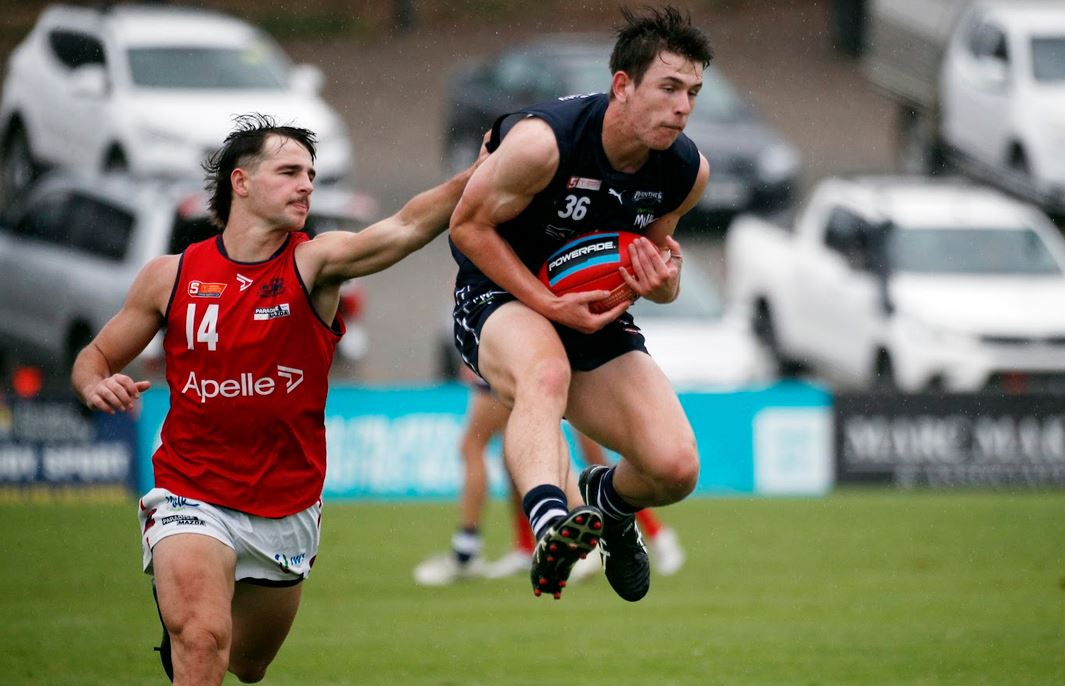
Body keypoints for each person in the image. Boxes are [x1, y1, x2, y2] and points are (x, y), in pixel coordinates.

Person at [71, 113, 483, 685]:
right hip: (191, 489)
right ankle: (186, 626)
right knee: (203, 637)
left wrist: (481, 173)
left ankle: (192, 627)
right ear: (241, 182)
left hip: (285, 510)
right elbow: (94, 356)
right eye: (289, 172)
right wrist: (94, 381)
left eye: (311, 174)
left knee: (248, 662)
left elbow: (408, 227)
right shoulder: (171, 276)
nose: (306, 185)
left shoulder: (316, 261)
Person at [448, 6, 712, 602]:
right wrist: (546, 300)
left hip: (591, 309)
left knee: (674, 468)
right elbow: (466, 227)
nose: (682, 106)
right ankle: (551, 527)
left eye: (693, 92)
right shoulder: (544, 144)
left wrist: (661, 282)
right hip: (500, 296)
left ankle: (607, 506)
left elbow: (654, 261)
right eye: (668, 87)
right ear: (622, 85)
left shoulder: (685, 170)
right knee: (545, 372)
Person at [413, 371, 685, 586]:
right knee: (521, 451)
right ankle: (523, 548)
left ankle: (593, 538)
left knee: (527, 449)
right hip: (535, 339)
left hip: (526, 342)